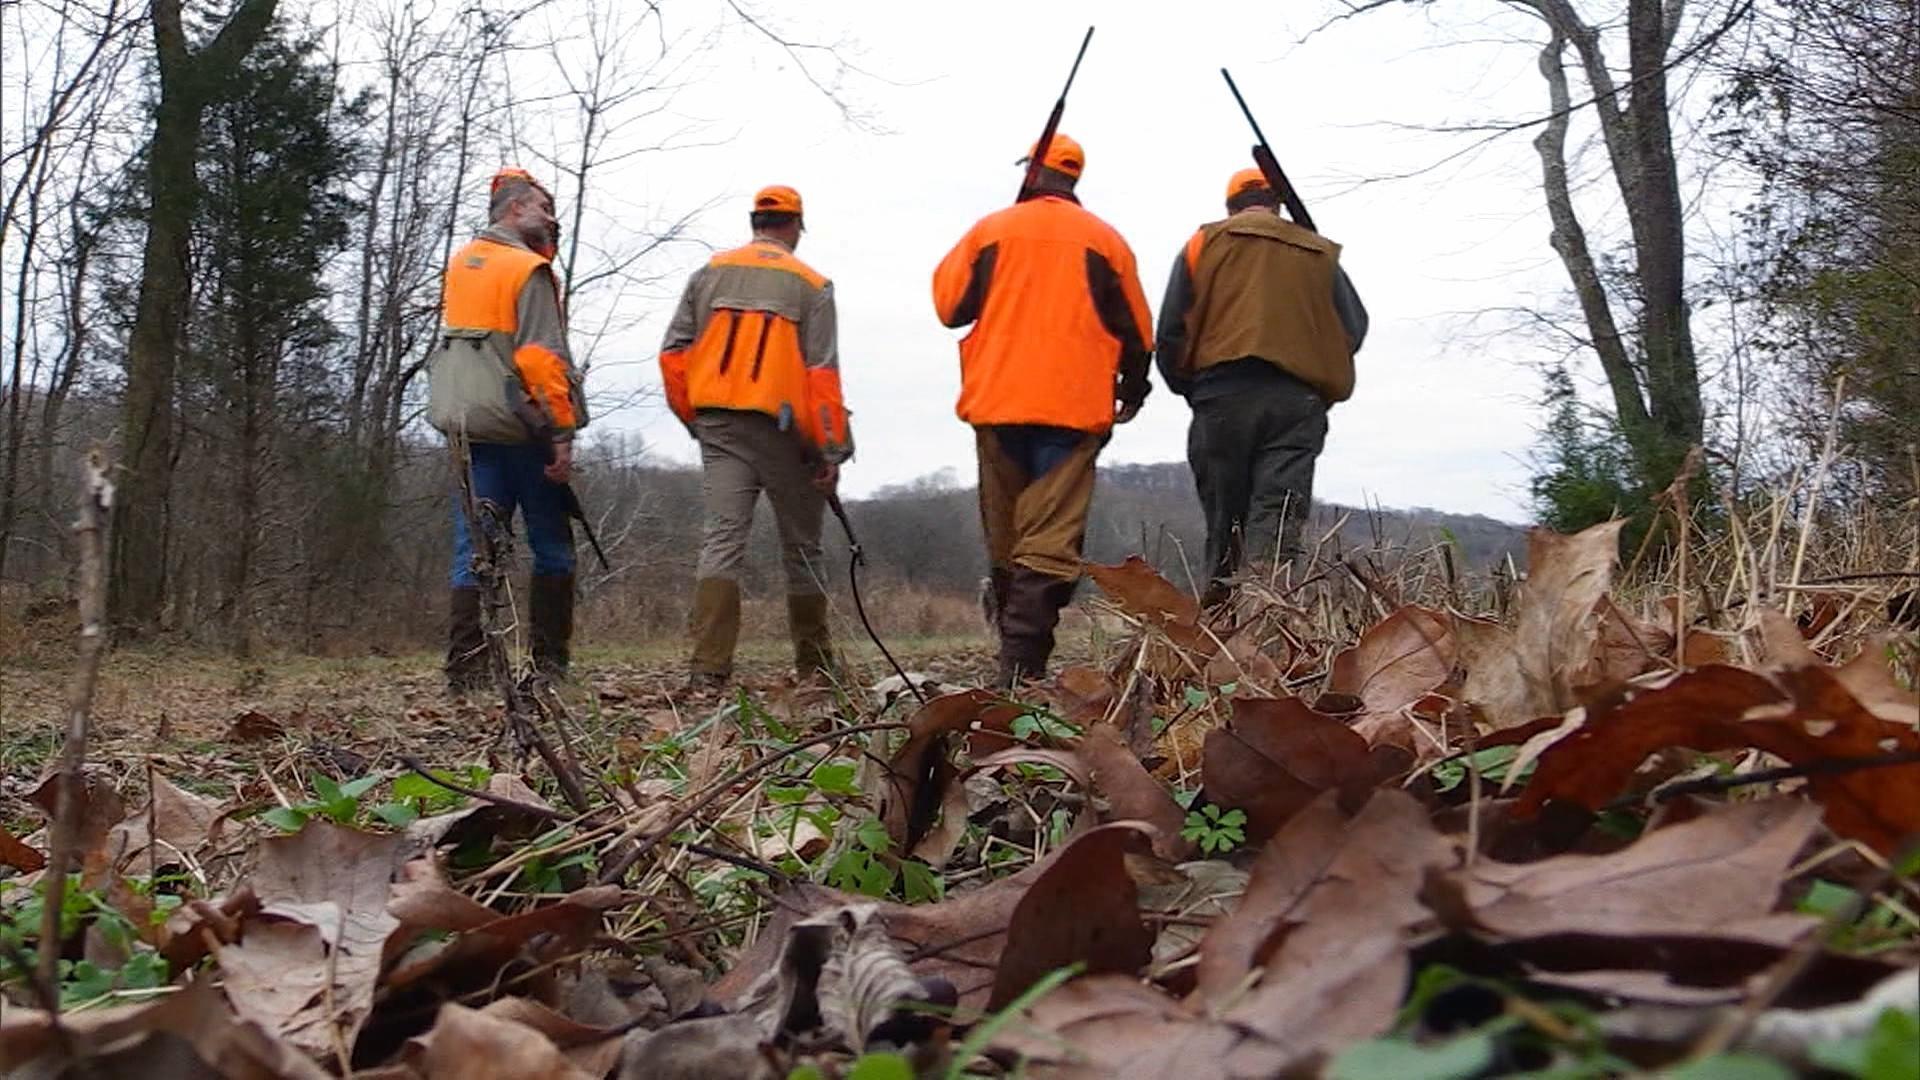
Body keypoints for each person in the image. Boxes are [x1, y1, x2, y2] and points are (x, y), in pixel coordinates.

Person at [932, 134, 1153, 687]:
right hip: (1074, 409)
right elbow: (1138, 332)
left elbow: (949, 307)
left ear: (1032, 171)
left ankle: (1014, 665)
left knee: (1008, 538)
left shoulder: (990, 230)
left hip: (997, 401)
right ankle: (1022, 667)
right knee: (1049, 540)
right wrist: (1135, 385)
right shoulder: (1106, 241)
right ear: (1073, 178)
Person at [660, 186, 853, 689]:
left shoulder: (709, 274)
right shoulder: (812, 284)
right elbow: (821, 375)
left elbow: (673, 355)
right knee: (802, 547)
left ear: (755, 222)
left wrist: (695, 417)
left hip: (719, 423)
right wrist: (830, 449)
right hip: (786, 432)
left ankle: (708, 670)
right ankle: (814, 666)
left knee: (722, 540)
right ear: (795, 227)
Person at [1156, 167, 1368, 605]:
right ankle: (1267, 628)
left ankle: (1217, 631)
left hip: (1220, 396)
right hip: (1296, 401)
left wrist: (1190, 388)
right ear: (1277, 202)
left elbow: (1171, 331)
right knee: (1276, 519)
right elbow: (1355, 328)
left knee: (1225, 521)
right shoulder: (1318, 251)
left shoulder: (1203, 243)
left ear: (1231, 206)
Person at [429, 167, 587, 692]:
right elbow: (541, 361)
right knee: (552, 546)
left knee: (474, 548)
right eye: (543, 207)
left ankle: (466, 671)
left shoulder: (463, 263)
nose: (550, 217)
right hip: (524, 431)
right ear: (516, 210)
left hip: (468, 428)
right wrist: (561, 435)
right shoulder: (527, 270)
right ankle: (547, 669)